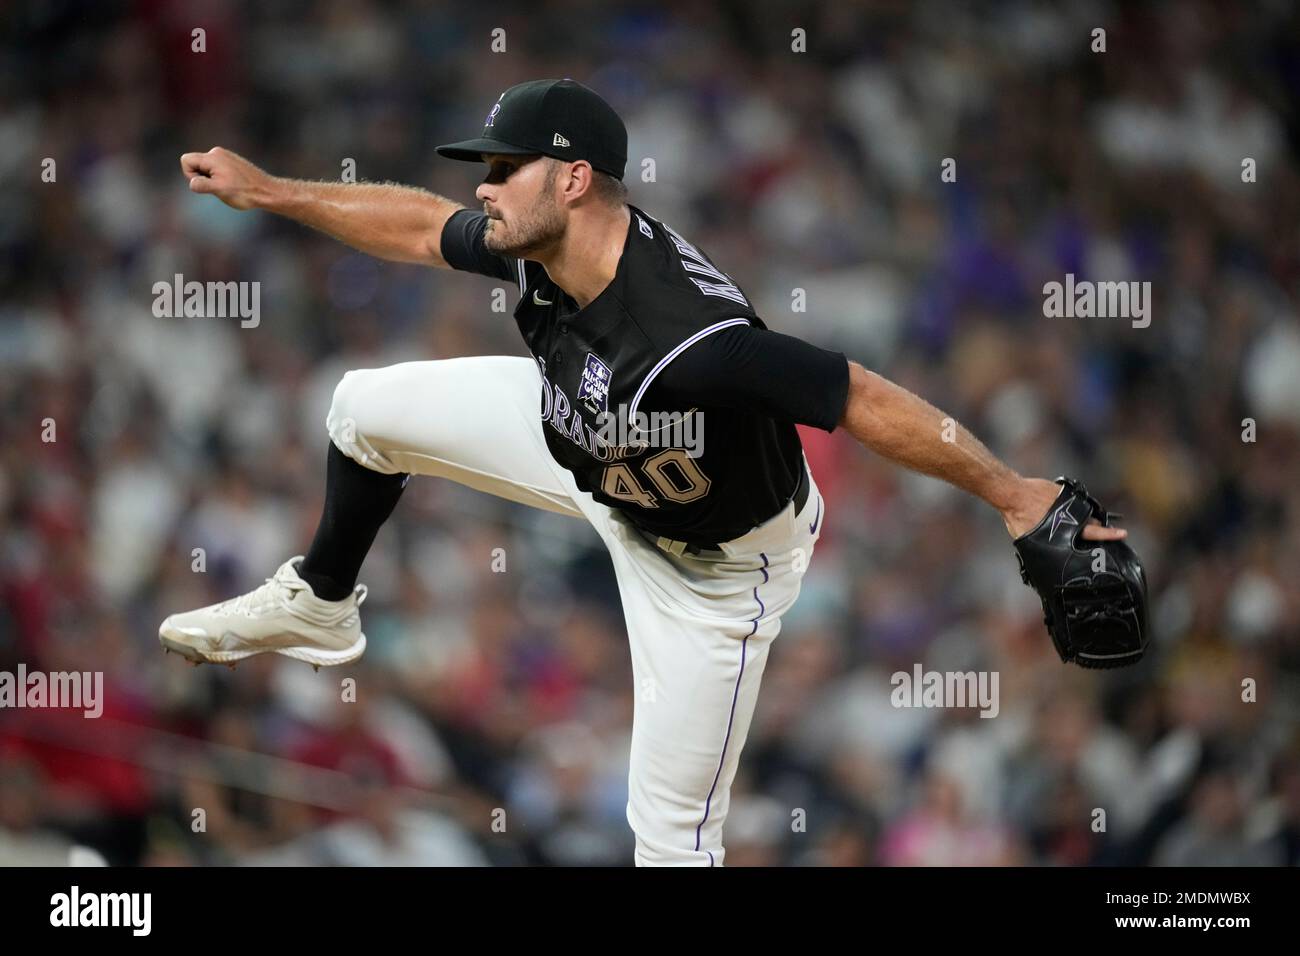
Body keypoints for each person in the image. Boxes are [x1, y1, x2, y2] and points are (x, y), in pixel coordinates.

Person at [163, 78, 1126, 866]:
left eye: (504, 167)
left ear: (575, 179)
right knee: (360, 409)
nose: (484, 188)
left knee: (669, 846)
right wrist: (273, 192)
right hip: (586, 448)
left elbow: (862, 399)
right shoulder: (543, 248)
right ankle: (322, 600)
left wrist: (1016, 495)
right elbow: (420, 227)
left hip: (709, 569)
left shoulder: (692, 338)